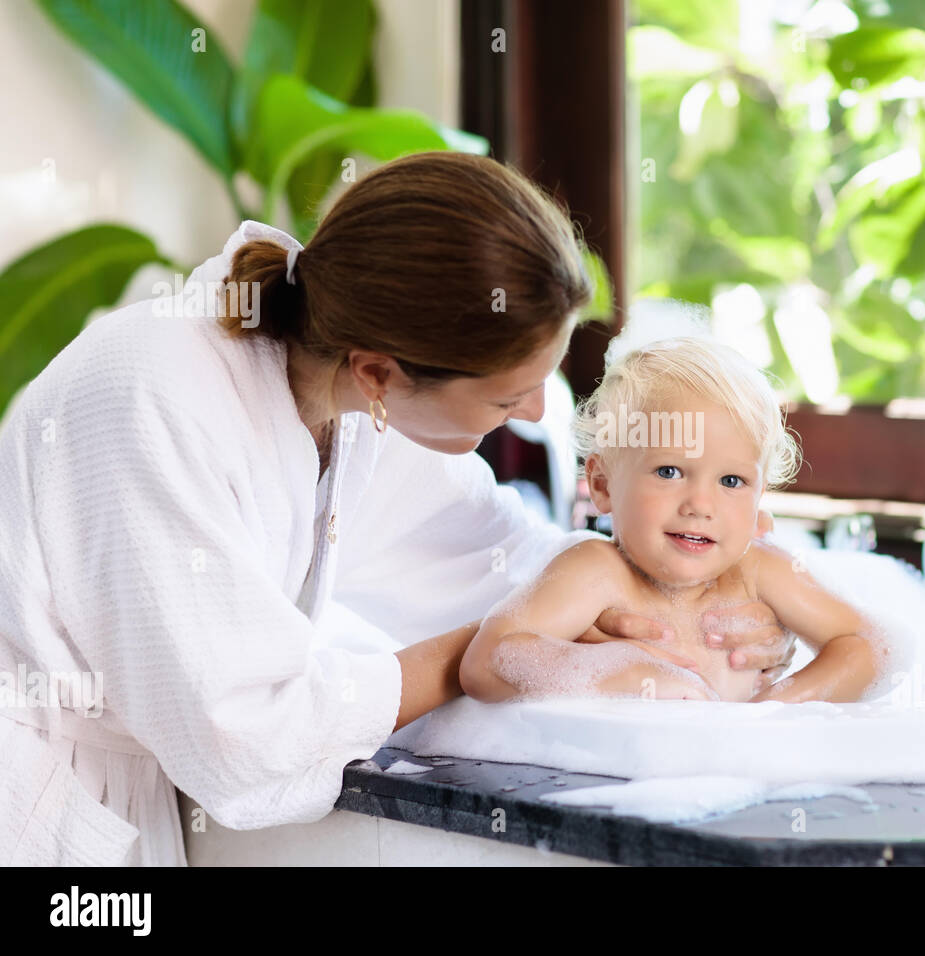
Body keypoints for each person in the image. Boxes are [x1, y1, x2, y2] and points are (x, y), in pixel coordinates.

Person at [0, 152, 790, 866]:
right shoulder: (156, 400)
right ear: (381, 372)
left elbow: (489, 555)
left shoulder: (341, 387)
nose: (526, 413)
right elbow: (245, 736)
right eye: (510, 394)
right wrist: (496, 653)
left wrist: (682, 598)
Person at [459, 336, 889, 704]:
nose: (701, 504)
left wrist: (773, 709)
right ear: (604, 485)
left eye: (732, 480)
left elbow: (869, 646)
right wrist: (617, 673)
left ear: (760, 501)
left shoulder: (758, 570)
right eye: (669, 472)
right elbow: (486, 664)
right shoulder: (595, 570)